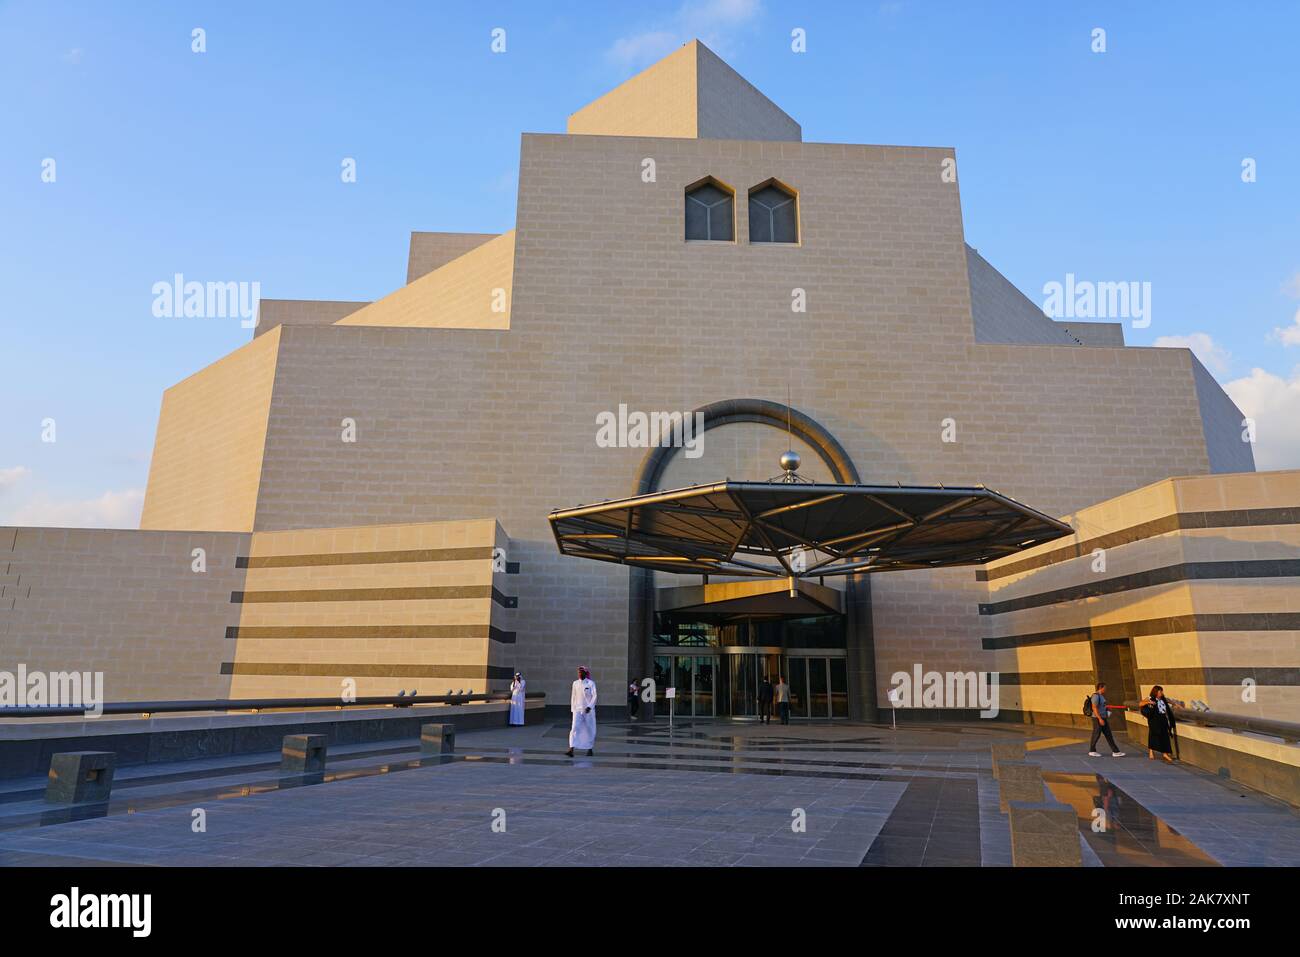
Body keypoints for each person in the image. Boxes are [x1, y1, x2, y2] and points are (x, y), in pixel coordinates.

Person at [1140, 685, 1180, 762]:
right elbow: (1140, 703)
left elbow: (1169, 701)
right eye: (1160, 691)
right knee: (1153, 735)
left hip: (1163, 719)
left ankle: (1165, 753)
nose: (1161, 693)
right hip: (1154, 719)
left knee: (1165, 736)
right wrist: (1149, 702)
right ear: (1155, 692)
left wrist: (1177, 705)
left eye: (1161, 691)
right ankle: (1151, 751)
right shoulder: (1150, 698)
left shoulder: (1163, 699)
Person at [1087, 681, 1126, 758]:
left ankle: (1116, 751)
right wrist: (1100, 719)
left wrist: (1107, 708)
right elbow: (1094, 708)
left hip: (1103, 717)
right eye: (1105, 688)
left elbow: (1102, 705)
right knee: (1096, 734)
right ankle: (1092, 750)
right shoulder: (1095, 696)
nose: (1106, 689)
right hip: (1097, 718)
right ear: (1100, 688)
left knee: (1108, 735)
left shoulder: (1101, 696)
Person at [566, 666, 597, 757]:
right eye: (578, 672)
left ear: (585, 673)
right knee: (574, 728)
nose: (579, 674)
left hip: (588, 711)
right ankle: (571, 748)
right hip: (577, 710)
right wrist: (573, 709)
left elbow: (594, 696)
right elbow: (573, 697)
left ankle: (590, 748)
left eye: (581, 672)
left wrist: (589, 707)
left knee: (590, 729)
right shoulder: (575, 683)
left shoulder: (591, 683)